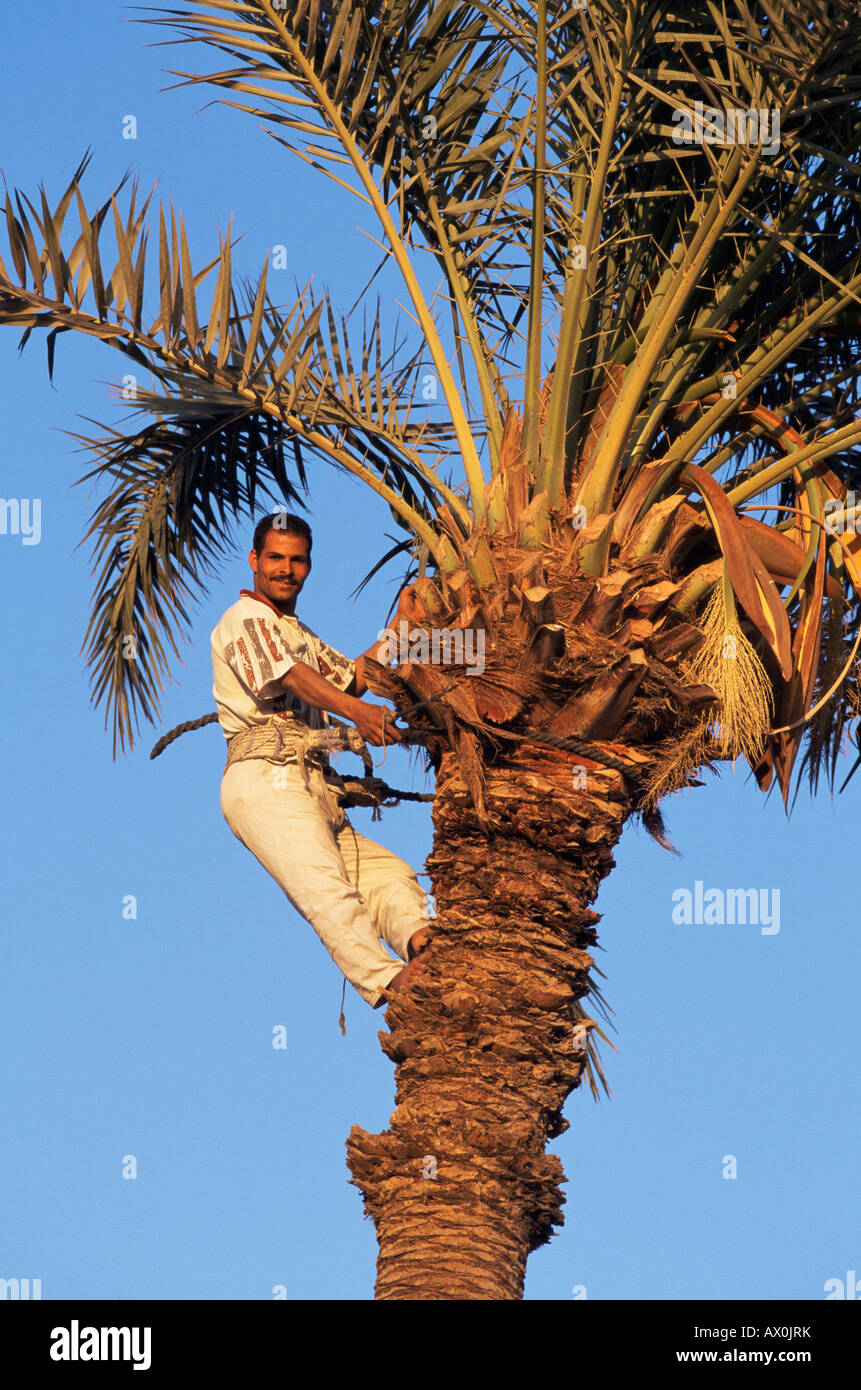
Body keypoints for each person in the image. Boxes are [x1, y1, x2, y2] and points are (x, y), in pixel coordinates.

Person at [211, 510, 433, 1010]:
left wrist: (403, 622)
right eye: (275, 558)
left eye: (297, 561)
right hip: (267, 782)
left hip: (316, 789)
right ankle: (392, 983)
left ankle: (427, 948)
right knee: (330, 893)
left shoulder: (298, 632)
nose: (285, 569)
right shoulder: (244, 620)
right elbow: (289, 677)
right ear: (253, 560)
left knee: (390, 876)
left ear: (308, 567)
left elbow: (354, 677)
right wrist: (358, 715)